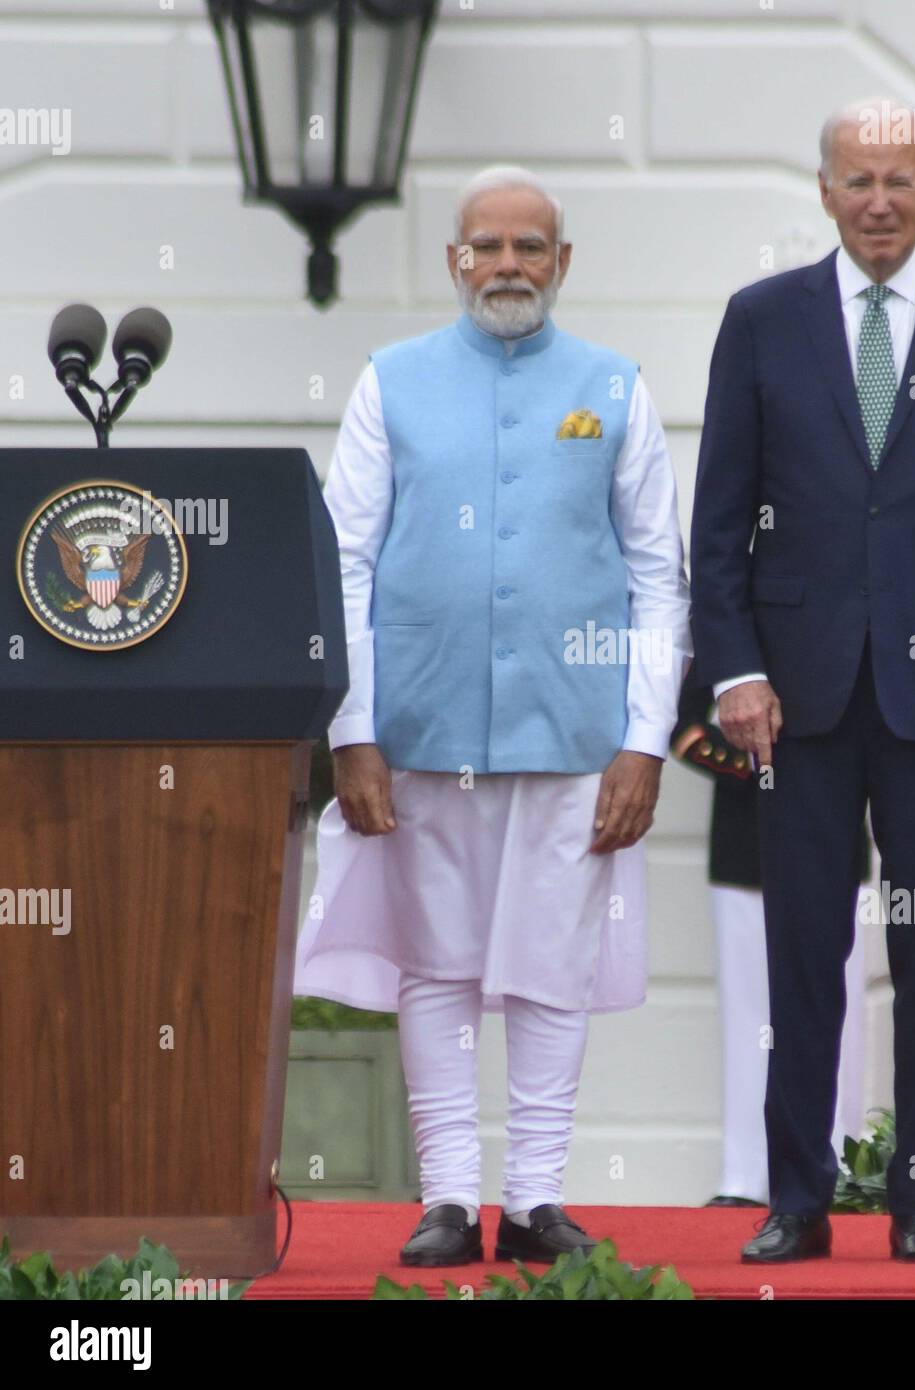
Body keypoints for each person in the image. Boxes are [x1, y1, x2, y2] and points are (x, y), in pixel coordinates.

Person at [294, 165, 691, 1267]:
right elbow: (346, 566)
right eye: (487, 246)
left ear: (561, 263)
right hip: (419, 733)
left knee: (548, 964)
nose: (507, 265)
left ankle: (533, 1200)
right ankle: (447, 1198)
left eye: (529, 247)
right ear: (454, 259)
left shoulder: (614, 388)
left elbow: (660, 576)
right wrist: (351, 733)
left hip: (573, 735)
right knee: (438, 965)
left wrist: (643, 740)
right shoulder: (390, 381)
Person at [689, 99, 915, 1263]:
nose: (879, 201)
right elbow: (714, 528)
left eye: (899, 179)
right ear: (824, 189)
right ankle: (795, 1198)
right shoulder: (760, 321)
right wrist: (732, 668)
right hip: (790, 704)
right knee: (801, 951)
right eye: (857, 180)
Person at [671, 661, 870, 1209]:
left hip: (834, 834)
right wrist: (765, 762)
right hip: (747, 841)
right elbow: (684, 729)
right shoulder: (727, 625)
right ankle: (746, 1176)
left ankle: (843, 1165)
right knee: (748, 1016)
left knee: (842, 1009)